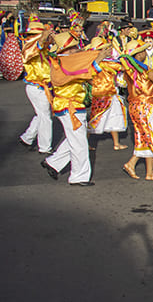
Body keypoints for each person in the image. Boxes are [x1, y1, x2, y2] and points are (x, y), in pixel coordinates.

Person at [42, 32, 104, 186]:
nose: (78, 49)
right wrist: (98, 60)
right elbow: (83, 73)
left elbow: (82, 74)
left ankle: (53, 163)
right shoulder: (65, 64)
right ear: (67, 50)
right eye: (75, 47)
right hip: (70, 107)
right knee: (79, 143)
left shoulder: (65, 63)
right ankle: (78, 176)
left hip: (70, 106)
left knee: (75, 139)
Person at [120, 39, 153, 181]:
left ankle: (144, 169)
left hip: (135, 106)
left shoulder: (129, 71)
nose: (145, 53)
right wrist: (152, 69)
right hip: (145, 107)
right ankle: (140, 167)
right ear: (138, 55)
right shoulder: (144, 71)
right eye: (143, 51)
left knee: (145, 136)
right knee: (149, 136)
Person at [18, 16, 54, 154]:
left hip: (41, 86)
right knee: (45, 117)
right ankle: (45, 147)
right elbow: (33, 50)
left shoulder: (41, 46)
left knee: (41, 114)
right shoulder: (29, 46)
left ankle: (27, 137)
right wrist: (43, 37)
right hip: (37, 86)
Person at [87, 37, 128, 151]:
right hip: (106, 94)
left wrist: (94, 84)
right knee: (96, 119)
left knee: (110, 118)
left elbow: (87, 78)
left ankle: (116, 143)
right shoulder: (108, 63)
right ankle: (85, 142)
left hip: (104, 93)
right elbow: (124, 68)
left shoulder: (91, 64)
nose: (110, 50)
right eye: (107, 49)